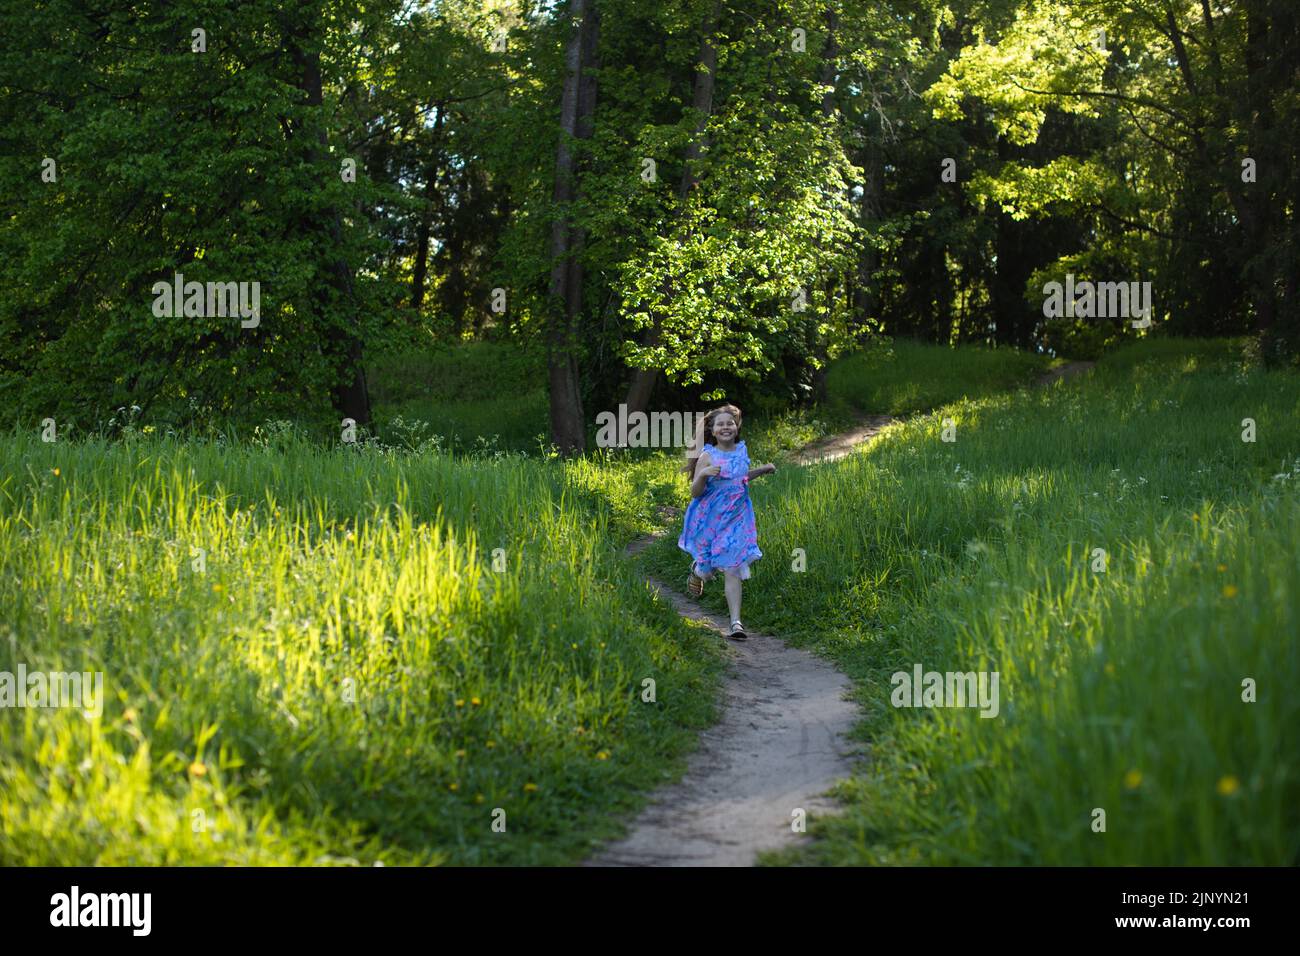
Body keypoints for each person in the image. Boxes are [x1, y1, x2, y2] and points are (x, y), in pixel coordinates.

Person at [677, 404, 776, 640]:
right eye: (720, 424)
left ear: (737, 426)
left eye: (729, 423)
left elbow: (740, 478)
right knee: (709, 568)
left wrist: (761, 470)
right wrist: (701, 475)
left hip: (737, 519)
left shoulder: (742, 450)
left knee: (733, 568)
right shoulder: (708, 455)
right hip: (711, 520)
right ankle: (698, 571)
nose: (725, 427)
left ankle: (736, 623)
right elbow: (695, 493)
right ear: (712, 429)